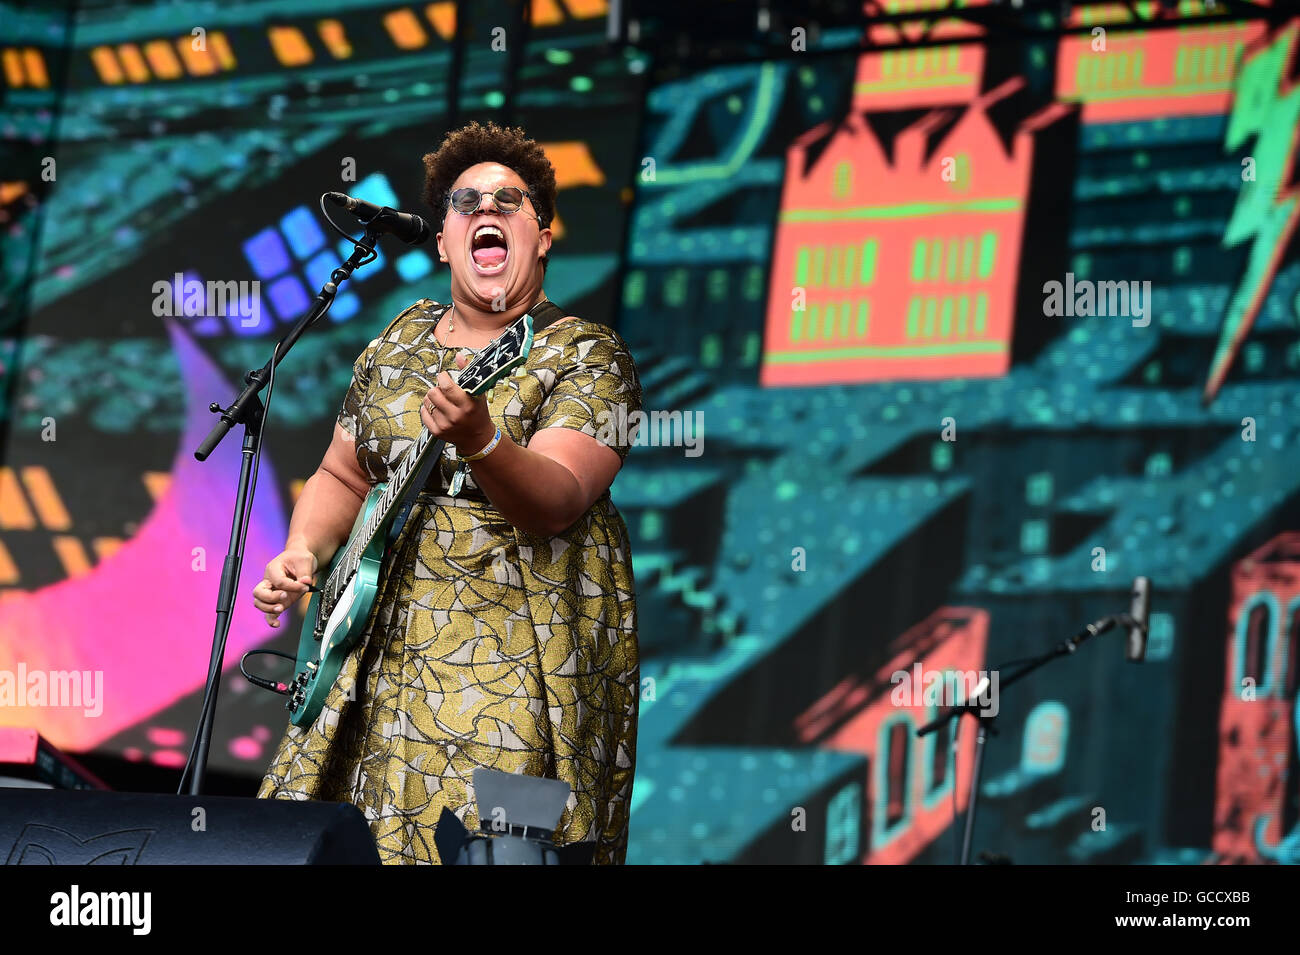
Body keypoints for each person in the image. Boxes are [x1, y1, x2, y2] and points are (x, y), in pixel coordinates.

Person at [252, 121, 641, 865]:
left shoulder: (587, 353)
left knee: (498, 853)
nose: (485, 210)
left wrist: (481, 441)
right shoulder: (398, 341)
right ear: (441, 240)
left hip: (519, 672)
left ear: (543, 234)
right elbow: (343, 473)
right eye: (466, 202)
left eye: (509, 200)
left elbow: (559, 497)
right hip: (376, 662)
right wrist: (303, 549)